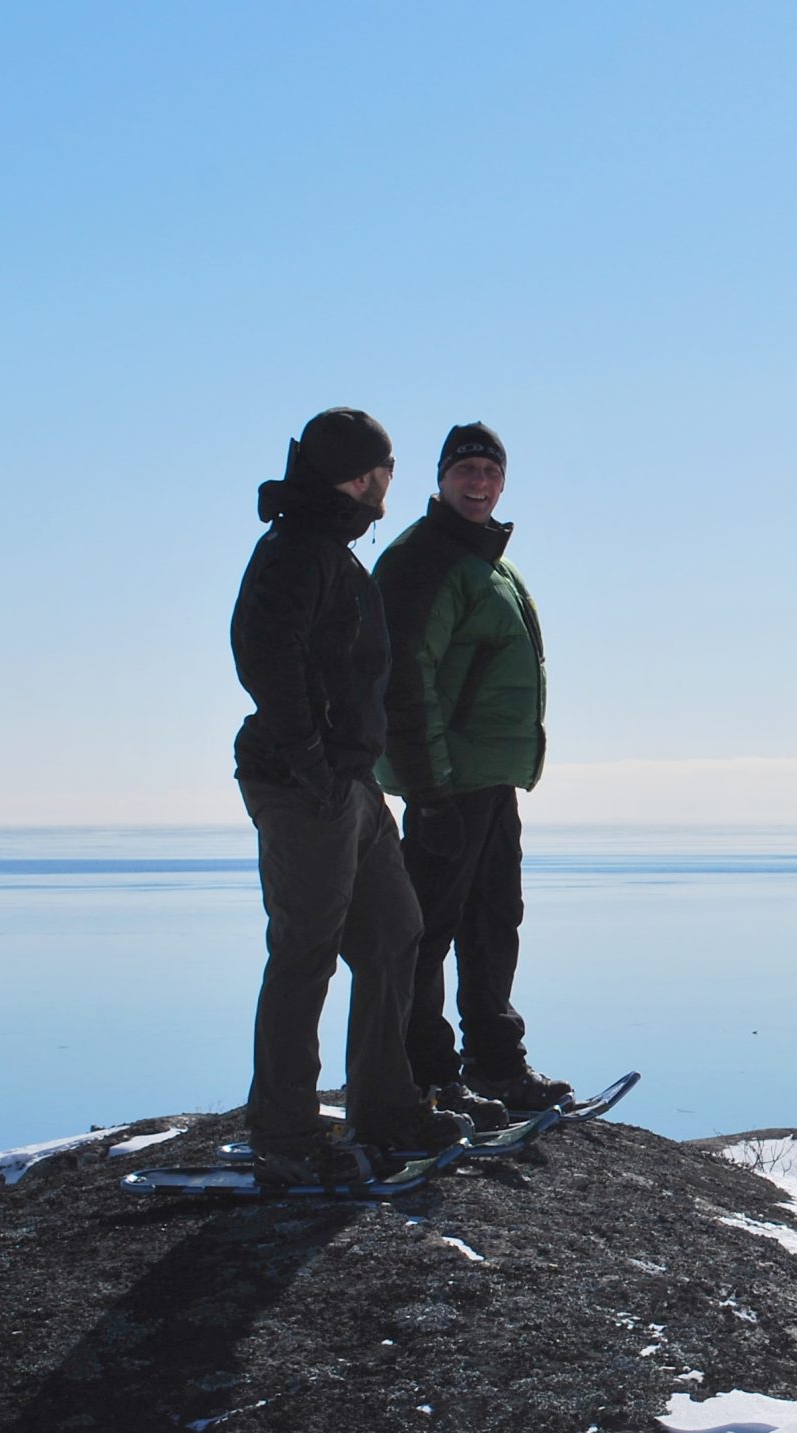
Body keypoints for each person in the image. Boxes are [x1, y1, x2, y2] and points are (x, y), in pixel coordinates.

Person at [229, 408, 470, 1185]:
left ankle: (385, 1105)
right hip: (307, 786)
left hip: (349, 784)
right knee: (305, 952)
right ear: (361, 476)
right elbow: (264, 658)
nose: (387, 494)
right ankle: (285, 1132)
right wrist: (313, 764)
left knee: (394, 932)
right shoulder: (296, 550)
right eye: (385, 476)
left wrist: (351, 772)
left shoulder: (328, 549)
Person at [372, 422, 573, 1114]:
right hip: (446, 782)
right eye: (467, 471)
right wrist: (427, 791)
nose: (480, 483)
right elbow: (402, 676)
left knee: (494, 921)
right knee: (428, 929)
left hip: (489, 779)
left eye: (491, 471)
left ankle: (495, 1062)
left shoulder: (491, 565)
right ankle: (427, 1076)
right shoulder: (423, 559)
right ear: (440, 478)